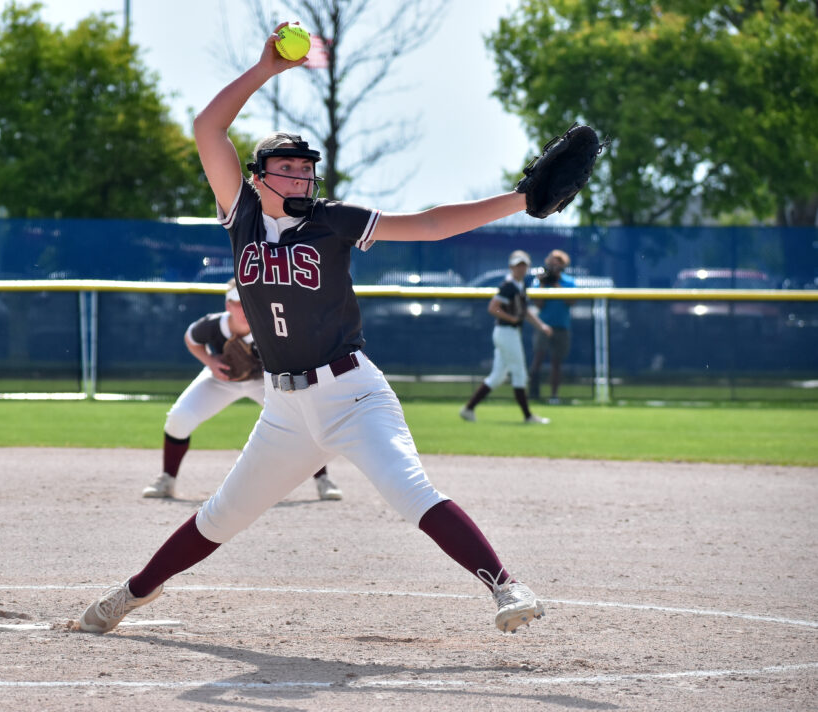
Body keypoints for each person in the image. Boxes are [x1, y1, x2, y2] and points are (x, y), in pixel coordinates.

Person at [78, 23, 546, 636]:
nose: (300, 179)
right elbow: (206, 128)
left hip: (353, 394)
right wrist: (265, 69)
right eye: (287, 170)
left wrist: (519, 200)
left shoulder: (332, 221)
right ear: (256, 177)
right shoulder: (241, 216)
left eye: (306, 170)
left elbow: (430, 226)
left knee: (411, 492)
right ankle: (135, 592)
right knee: (221, 516)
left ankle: (506, 587)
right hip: (283, 407)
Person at [144, 279, 342, 501]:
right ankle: (167, 480)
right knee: (179, 418)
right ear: (228, 305)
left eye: (249, 301)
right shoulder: (212, 326)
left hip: (265, 381)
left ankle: (323, 480)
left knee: (305, 420)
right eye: (238, 303)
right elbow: (191, 339)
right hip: (222, 379)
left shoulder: (271, 326)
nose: (245, 308)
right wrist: (210, 361)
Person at [460, 251, 552, 425]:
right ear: (511, 267)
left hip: (508, 333)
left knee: (497, 376)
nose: (521, 268)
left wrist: (541, 326)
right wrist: (511, 318)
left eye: (524, 265)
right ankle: (528, 416)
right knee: (519, 373)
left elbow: (525, 313)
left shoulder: (520, 285)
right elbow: (493, 307)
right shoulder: (508, 286)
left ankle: (468, 409)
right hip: (506, 332)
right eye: (518, 265)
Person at [528, 249, 576, 404]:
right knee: (538, 359)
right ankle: (533, 394)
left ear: (563, 265)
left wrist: (555, 284)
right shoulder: (539, 281)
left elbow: (571, 302)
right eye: (552, 261)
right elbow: (539, 305)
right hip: (543, 326)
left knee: (557, 362)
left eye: (558, 261)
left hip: (562, 326)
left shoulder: (569, 282)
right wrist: (543, 284)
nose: (554, 264)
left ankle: (554, 396)